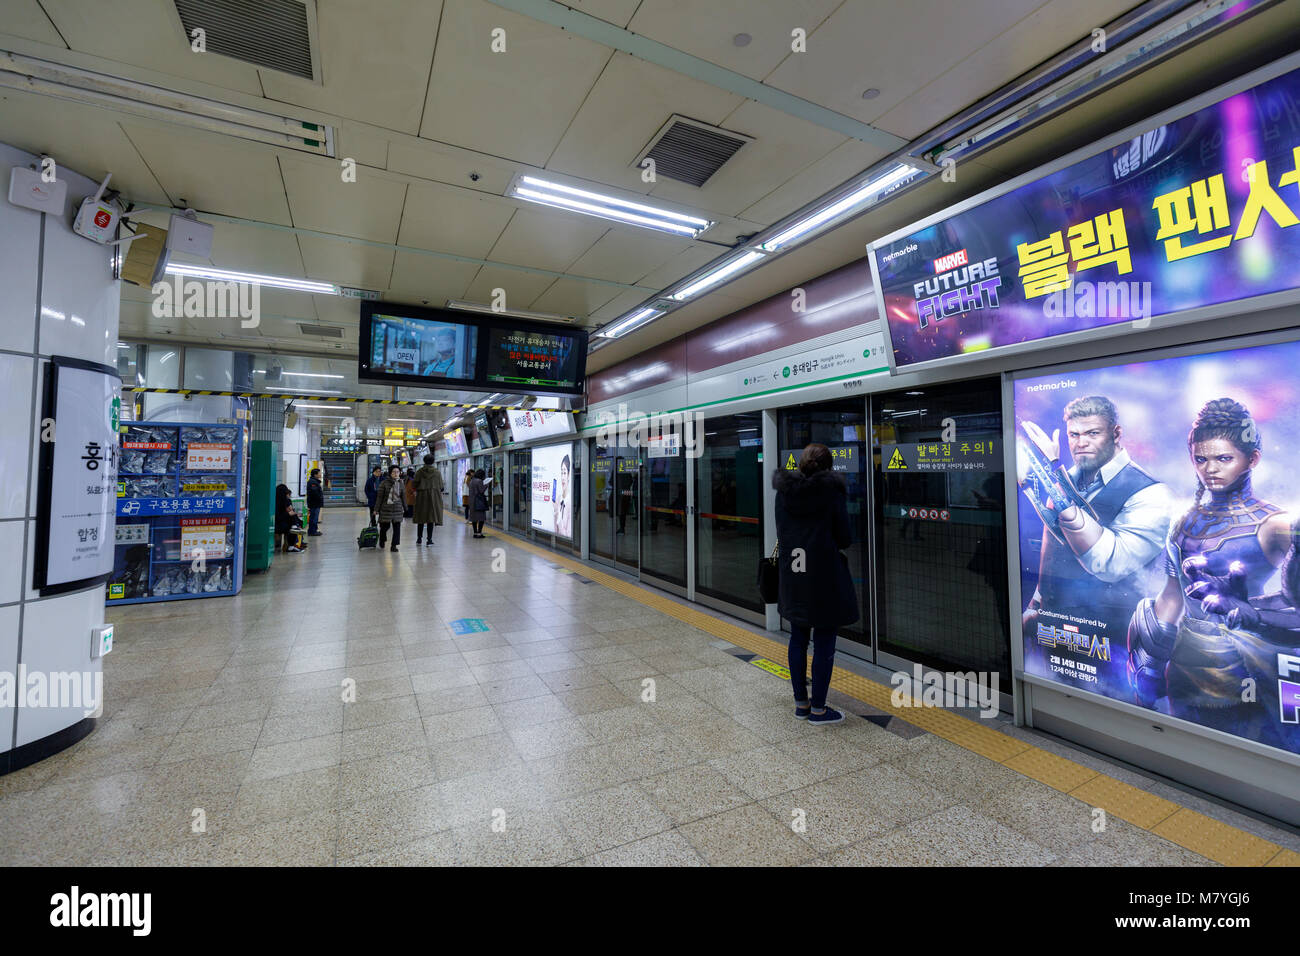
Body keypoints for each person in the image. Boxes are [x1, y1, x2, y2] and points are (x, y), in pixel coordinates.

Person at [1128, 398, 1293, 743]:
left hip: (1249, 669)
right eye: (1201, 459)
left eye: (1224, 458)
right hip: (1186, 666)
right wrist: (1150, 669)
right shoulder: (1184, 523)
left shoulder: (1275, 525)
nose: (1211, 469)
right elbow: (1172, 598)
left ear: (1253, 459)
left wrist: (1256, 615)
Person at [1019, 394, 1172, 697]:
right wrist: (1037, 604)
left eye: (1092, 433)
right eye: (1074, 435)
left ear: (1116, 434)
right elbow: (1056, 547)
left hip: (1113, 640)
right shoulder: (1068, 478)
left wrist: (1049, 474)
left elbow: (1107, 562)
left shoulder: (1151, 493)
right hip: (1055, 628)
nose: (1081, 443)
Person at [772, 443, 859, 724]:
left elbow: (782, 531)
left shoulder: (783, 494)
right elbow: (844, 537)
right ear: (828, 466)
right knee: (824, 642)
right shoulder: (831, 494)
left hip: (794, 574)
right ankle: (819, 709)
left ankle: (801, 704)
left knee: (798, 638)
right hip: (824, 577)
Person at [413, 454, 444, 546]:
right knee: (431, 518)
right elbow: (441, 486)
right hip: (434, 497)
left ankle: (419, 538)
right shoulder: (437, 472)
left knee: (421, 518)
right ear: (433, 462)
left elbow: (414, 484)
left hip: (422, 497)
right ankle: (429, 539)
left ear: (424, 461)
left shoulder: (419, 472)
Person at [375, 464, 406, 552]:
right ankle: (382, 539)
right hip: (386, 509)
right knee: (384, 527)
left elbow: (403, 496)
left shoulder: (401, 483)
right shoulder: (384, 483)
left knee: (397, 528)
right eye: (394, 472)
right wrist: (376, 509)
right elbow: (379, 497)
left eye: (397, 472)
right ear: (390, 473)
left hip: (397, 509)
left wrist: (405, 508)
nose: (396, 474)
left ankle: (394, 545)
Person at [274, 484, 305, 553]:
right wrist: (288, 513)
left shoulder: (283, 501)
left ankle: (295, 526)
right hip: (278, 525)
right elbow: (278, 517)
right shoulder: (277, 502)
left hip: (281, 523)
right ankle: (291, 547)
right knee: (291, 528)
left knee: (293, 522)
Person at [553, 454, 572, 539]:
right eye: (561, 473)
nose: (563, 477)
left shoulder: (570, 502)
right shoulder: (558, 499)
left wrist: (558, 515)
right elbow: (555, 531)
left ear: (569, 475)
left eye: (564, 473)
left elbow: (566, 535)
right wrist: (556, 512)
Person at [468, 468, 488, 538]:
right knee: (481, 518)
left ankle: (475, 533)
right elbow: (481, 490)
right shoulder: (479, 481)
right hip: (479, 502)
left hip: (472, 501)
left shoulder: (472, 480)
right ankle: (479, 533)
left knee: (474, 518)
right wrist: (486, 485)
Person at [305, 468, 324, 536]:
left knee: (314, 517)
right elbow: (315, 493)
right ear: (315, 474)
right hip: (314, 503)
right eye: (319, 473)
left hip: (315, 503)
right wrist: (320, 499)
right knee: (313, 518)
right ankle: (312, 531)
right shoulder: (313, 482)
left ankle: (313, 530)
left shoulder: (314, 481)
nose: (320, 474)